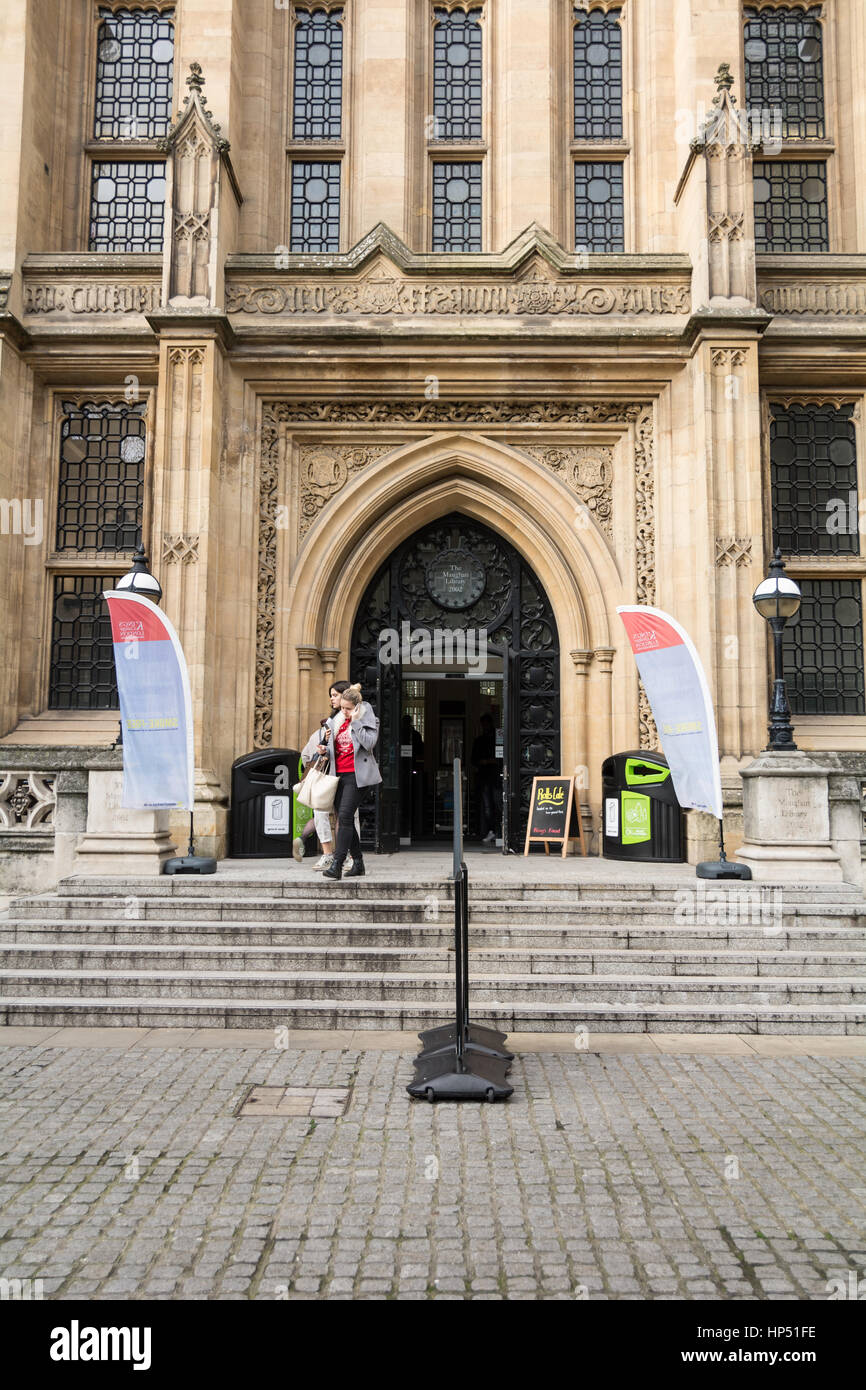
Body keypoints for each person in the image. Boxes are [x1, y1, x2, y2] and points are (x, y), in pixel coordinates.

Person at [318, 683, 382, 881]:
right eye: (342, 708)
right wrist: (324, 748)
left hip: (358, 776)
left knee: (345, 816)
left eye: (347, 708)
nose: (343, 711)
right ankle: (359, 863)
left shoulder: (365, 717)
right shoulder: (337, 721)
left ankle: (337, 864)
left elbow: (369, 743)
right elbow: (336, 750)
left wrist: (355, 721)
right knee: (343, 819)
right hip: (339, 775)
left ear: (357, 706)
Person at [297, 680, 353, 871]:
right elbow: (311, 752)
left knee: (346, 816)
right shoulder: (328, 724)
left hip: (347, 774)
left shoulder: (356, 719)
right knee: (320, 811)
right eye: (331, 695)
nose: (332, 699)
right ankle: (328, 854)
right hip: (327, 774)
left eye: (335, 694)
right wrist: (322, 749)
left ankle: (348, 856)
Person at [471, 712, 501, 844]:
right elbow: (473, 759)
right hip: (485, 778)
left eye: (486, 724)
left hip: (497, 777)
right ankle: (492, 831)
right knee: (488, 806)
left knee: (498, 804)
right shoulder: (479, 741)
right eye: (483, 724)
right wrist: (483, 762)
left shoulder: (498, 739)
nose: (485, 726)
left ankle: (500, 831)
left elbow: (501, 758)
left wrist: (489, 761)